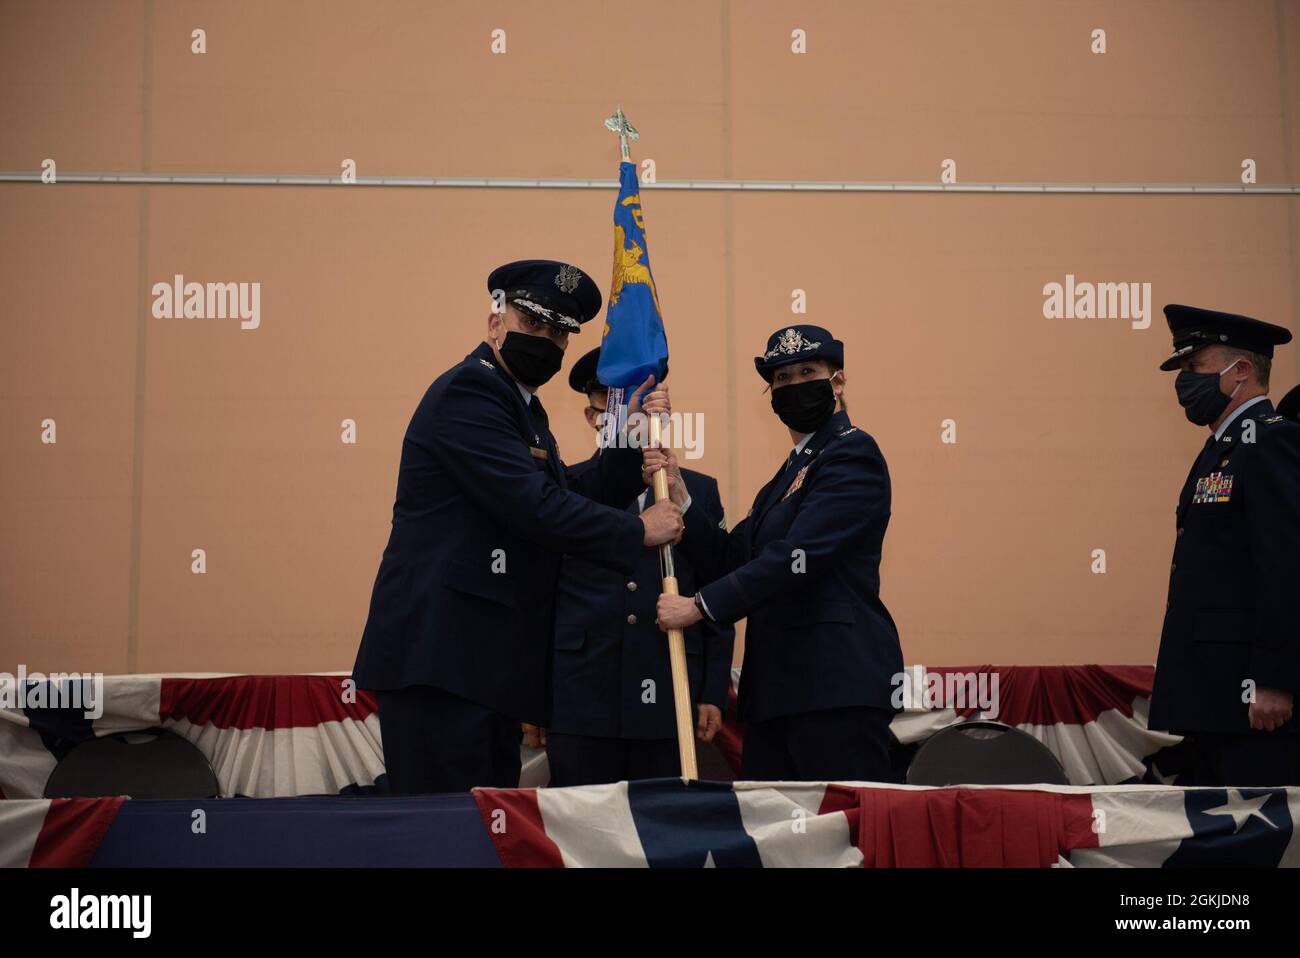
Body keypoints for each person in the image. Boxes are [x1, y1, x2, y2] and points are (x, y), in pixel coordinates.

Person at [353, 260, 683, 794]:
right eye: (533, 325)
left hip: (484, 666)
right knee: (444, 835)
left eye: (558, 332)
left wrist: (630, 418)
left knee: (481, 831)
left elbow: (575, 493)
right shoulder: (469, 393)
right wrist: (636, 531)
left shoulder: (523, 410)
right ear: (495, 323)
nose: (546, 341)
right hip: (442, 660)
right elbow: (533, 505)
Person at [654, 324, 903, 782]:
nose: (793, 387)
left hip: (834, 685)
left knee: (842, 839)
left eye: (808, 371)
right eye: (782, 379)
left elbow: (797, 556)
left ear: (838, 380)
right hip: (779, 692)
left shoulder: (852, 455)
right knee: (780, 847)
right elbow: (734, 556)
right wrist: (680, 493)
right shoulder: (791, 472)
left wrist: (698, 607)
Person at [542, 348, 735, 786]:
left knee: (663, 828)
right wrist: (533, 697)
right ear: (594, 418)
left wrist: (712, 689)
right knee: (583, 830)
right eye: (613, 407)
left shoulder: (698, 491)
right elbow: (542, 595)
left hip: (668, 687)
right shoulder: (565, 487)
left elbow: (717, 584)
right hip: (581, 695)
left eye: (639, 404)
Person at [1149, 304, 1300, 786]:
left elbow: (1286, 566)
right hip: (1213, 690)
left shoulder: (1272, 443)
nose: (1185, 382)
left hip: (1251, 697)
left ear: (1241, 371)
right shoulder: (1222, 447)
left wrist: (1275, 678)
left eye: (1195, 367)